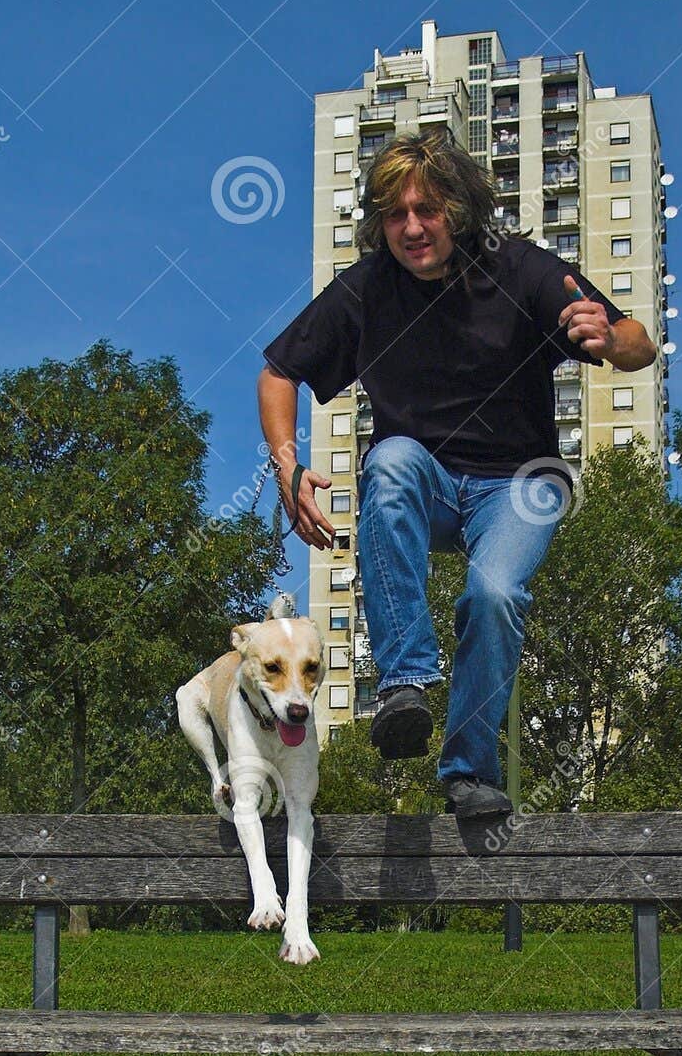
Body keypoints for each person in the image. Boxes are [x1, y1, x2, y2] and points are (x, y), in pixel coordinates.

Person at [257, 131, 656, 817]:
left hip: (520, 483)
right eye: (396, 215)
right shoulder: (366, 290)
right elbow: (278, 372)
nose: (413, 228)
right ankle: (405, 684)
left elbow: (637, 345)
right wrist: (288, 467)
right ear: (381, 223)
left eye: (429, 210)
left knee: (493, 595)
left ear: (460, 211)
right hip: (429, 488)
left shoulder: (521, 270)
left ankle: (470, 771)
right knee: (390, 459)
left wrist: (611, 337)